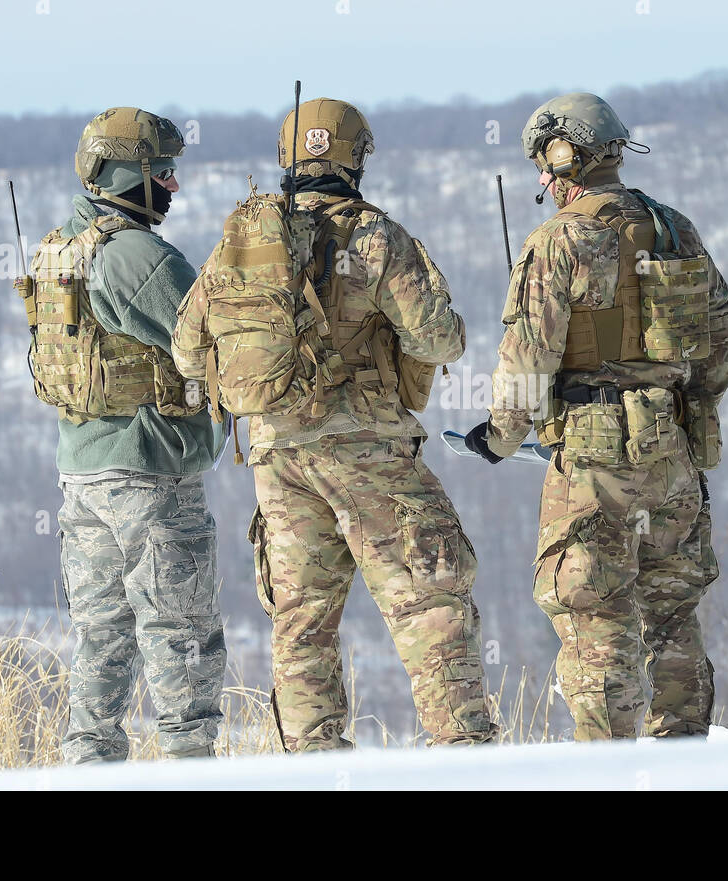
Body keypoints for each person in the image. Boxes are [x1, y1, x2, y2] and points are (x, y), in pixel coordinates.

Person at [172, 98, 495, 751]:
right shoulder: (374, 236)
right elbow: (439, 337)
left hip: (276, 454)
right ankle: (462, 747)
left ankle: (311, 758)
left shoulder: (243, 244)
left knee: (301, 615)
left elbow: (185, 346)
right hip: (365, 445)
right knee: (426, 587)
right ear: (353, 156)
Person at [464, 93, 728, 740]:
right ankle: (683, 758)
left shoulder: (557, 241)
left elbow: (528, 358)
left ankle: (607, 769)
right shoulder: (674, 228)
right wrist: (693, 406)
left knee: (594, 611)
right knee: (673, 609)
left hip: (594, 455)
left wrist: (500, 436)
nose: (542, 177)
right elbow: (724, 334)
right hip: (671, 447)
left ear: (567, 157)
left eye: (545, 162)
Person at [25, 107, 227, 762]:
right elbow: (213, 340)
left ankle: (88, 768)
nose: (174, 185)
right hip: (150, 471)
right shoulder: (137, 253)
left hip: (82, 474)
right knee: (182, 631)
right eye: (162, 171)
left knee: (101, 639)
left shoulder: (61, 246)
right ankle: (192, 771)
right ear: (124, 172)